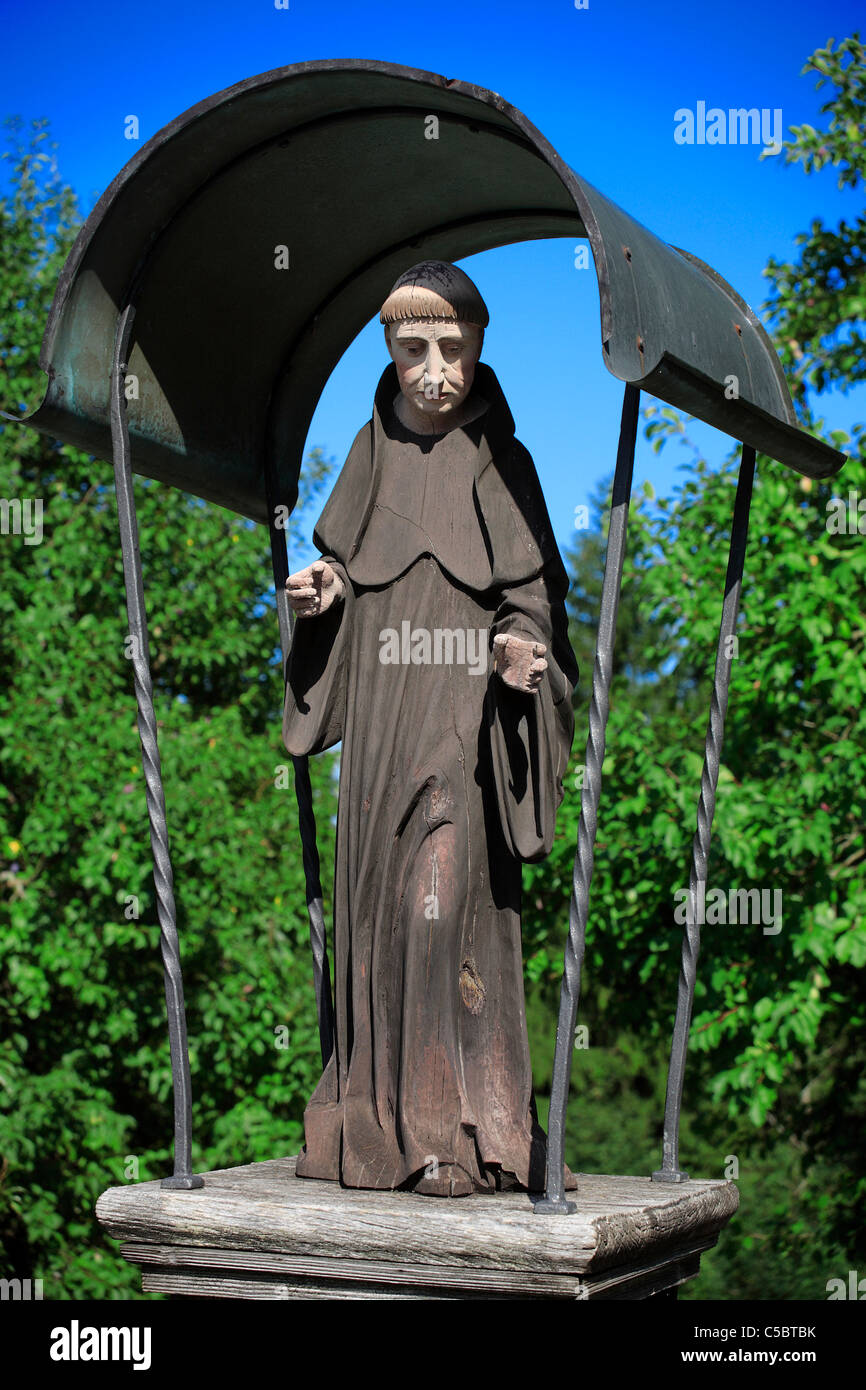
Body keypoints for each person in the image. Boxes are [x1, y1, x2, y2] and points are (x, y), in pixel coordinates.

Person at [282, 260, 578, 1196]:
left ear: (480, 349)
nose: (436, 368)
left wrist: (518, 654)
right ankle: (373, 1125)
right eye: (416, 349)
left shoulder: (507, 465)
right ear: (391, 351)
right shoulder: (365, 458)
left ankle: (454, 1135)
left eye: (453, 347)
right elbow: (340, 566)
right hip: (378, 724)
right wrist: (321, 591)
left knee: (438, 897)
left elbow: (532, 601)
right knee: (379, 911)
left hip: (463, 721)